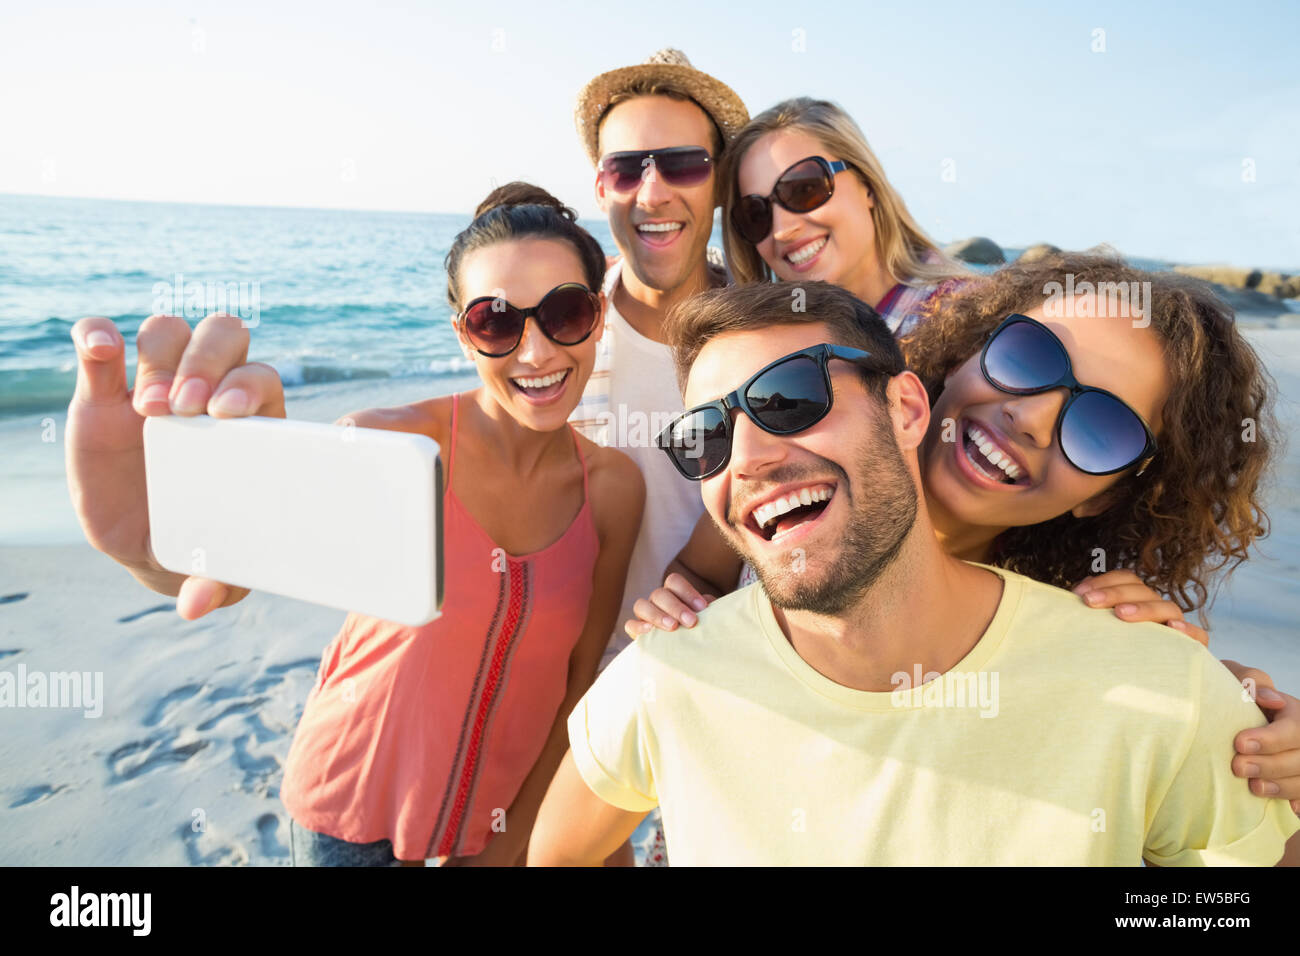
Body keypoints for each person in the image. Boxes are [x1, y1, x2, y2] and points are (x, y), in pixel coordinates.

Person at [527, 280, 1300, 866]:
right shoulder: (684, 655)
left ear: (1110, 497)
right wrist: (671, 634)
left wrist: (1212, 713)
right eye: (1029, 357)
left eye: (1099, 426)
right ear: (934, 381)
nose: (1030, 415)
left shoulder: (1141, 666)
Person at [65, 183, 644, 865]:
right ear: (463, 334)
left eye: (565, 312)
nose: (537, 351)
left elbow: (582, 680)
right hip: (350, 811)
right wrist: (152, 543)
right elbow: (225, 568)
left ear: (598, 316)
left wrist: (517, 835)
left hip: (502, 824)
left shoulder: (613, 488)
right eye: (497, 321)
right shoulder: (381, 445)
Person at [720, 96, 969, 336]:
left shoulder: (965, 323)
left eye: (804, 189)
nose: (782, 229)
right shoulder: (782, 349)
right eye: (755, 214)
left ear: (867, 185)